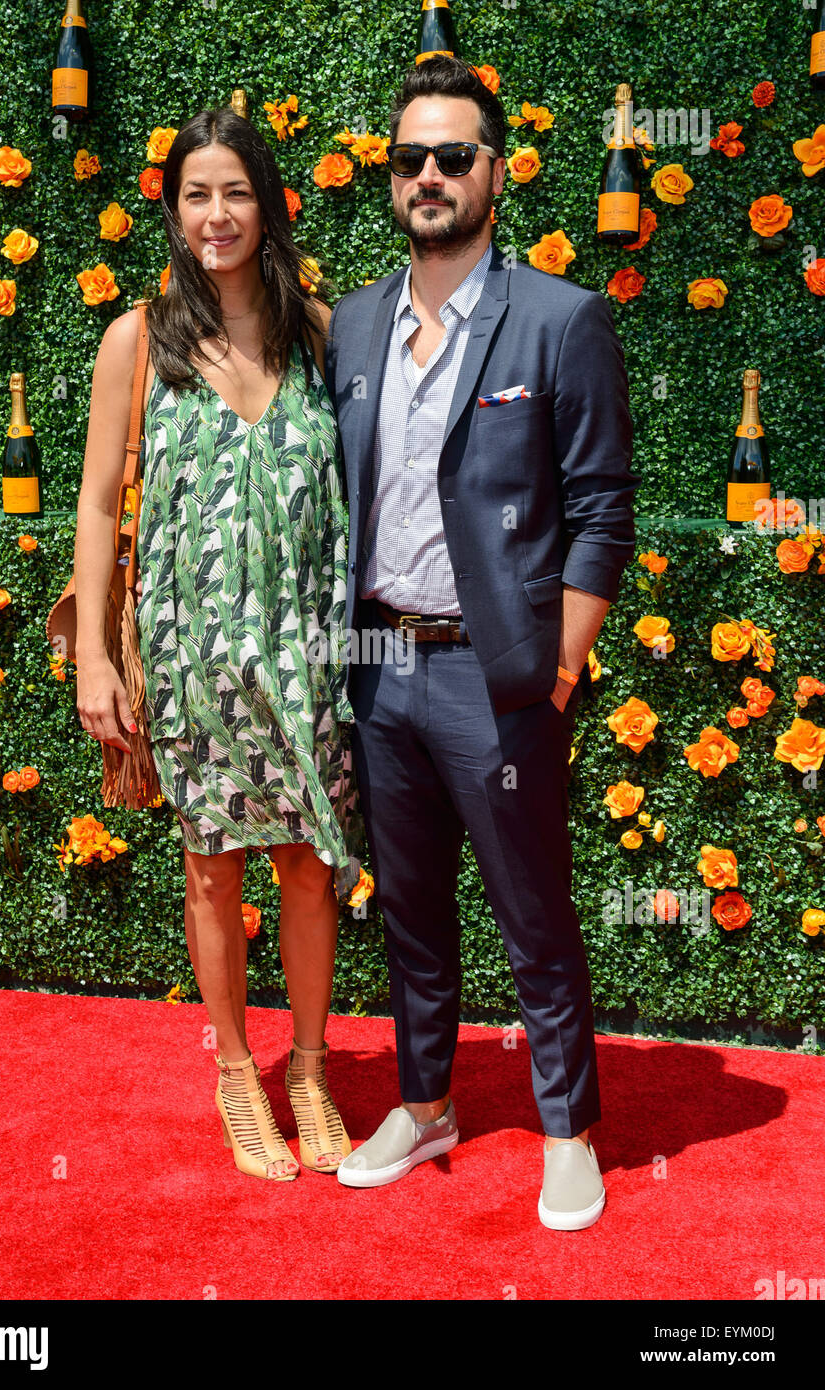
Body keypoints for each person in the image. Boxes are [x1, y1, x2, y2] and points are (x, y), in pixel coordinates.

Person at [325, 57, 641, 1228]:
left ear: (495, 174)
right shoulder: (351, 325)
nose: (429, 177)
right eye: (409, 159)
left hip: (494, 674)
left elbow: (603, 508)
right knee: (409, 909)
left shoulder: (560, 319)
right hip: (381, 668)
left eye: (453, 156)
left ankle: (568, 1129)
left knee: (533, 912)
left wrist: (555, 663)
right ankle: (428, 1103)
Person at [74, 107, 365, 1182]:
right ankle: (237, 1070)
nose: (216, 214)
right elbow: (99, 504)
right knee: (211, 868)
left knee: (307, 861)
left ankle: (310, 1068)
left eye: (234, 191)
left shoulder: (324, 334)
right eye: (195, 194)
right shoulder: (139, 340)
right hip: (190, 657)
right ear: (172, 212)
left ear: (270, 203)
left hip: (308, 651)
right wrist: (97, 659)